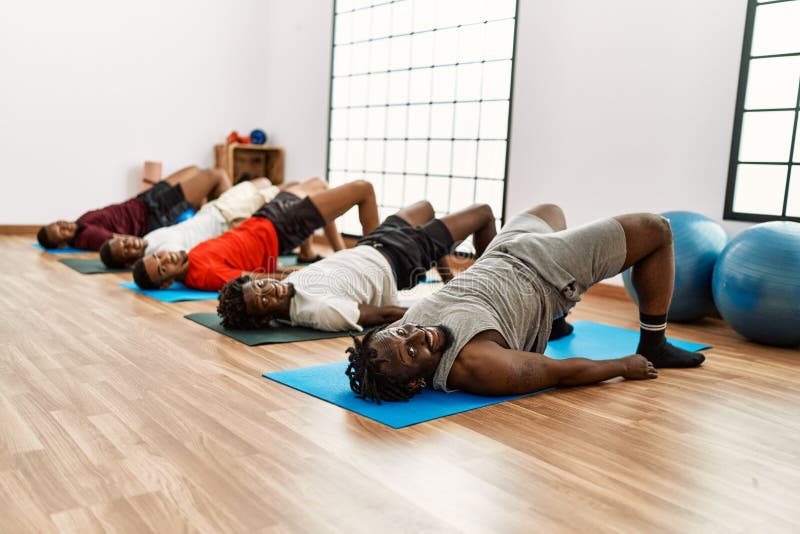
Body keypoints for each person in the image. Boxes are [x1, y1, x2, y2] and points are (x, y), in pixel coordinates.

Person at [344, 204, 707, 403]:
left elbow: (383, 333)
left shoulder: (392, 338)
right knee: (656, 228)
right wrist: (624, 365)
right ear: (413, 385)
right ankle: (654, 342)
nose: (417, 336)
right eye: (412, 353)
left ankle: (554, 320)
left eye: (405, 332)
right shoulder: (479, 366)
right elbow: (560, 372)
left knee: (551, 210)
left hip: (502, 254)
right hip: (545, 270)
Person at [216, 201, 497, 332]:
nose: (270, 291)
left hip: (373, 242)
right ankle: (491, 293)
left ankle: (452, 282)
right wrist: (451, 317)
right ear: (265, 318)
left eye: (262, 286)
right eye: (264, 302)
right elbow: (386, 313)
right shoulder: (322, 311)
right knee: (483, 213)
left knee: (425, 207)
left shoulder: (290, 287)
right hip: (402, 257)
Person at [132, 180, 379, 291]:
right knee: (363, 190)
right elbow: (255, 277)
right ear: (166, 283)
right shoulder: (202, 274)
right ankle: (375, 269)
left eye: (159, 257)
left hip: (265, 217)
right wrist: (300, 275)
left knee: (318, 183)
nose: (166, 260)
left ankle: (342, 253)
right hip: (282, 229)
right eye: (162, 269)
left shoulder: (189, 256)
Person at [99, 177, 345, 268]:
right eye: (127, 251)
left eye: (124, 243)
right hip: (230, 219)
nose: (130, 244)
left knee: (265, 182)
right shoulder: (157, 253)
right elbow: (190, 261)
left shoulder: (147, 240)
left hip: (216, 209)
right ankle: (339, 253)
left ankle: (308, 250)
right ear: (130, 261)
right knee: (307, 190)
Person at [37, 166, 231, 251]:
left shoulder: (80, 222)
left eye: (57, 223)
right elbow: (125, 243)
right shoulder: (86, 235)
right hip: (155, 214)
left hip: (145, 200)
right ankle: (234, 226)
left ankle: (205, 209)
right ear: (63, 243)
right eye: (61, 231)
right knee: (217, 175)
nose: (64, 225)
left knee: (194, 170)